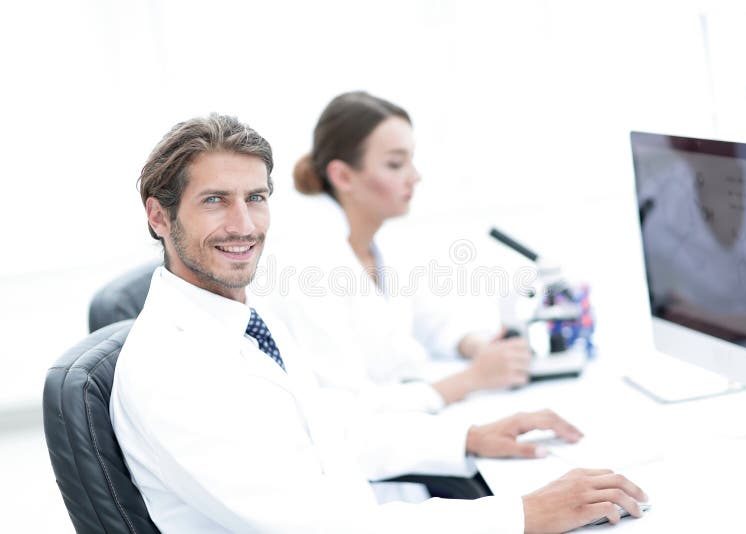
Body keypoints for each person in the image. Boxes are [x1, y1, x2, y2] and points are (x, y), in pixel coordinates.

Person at [109, 113, 648, 532]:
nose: (244, 225)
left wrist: (469, 436)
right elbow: (315, 527)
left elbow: (327, 435)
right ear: (159, 216)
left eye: (256, 198)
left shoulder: (246, 317)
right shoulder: (169, 370)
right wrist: (521, 514)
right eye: (214, 201)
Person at [264, 91, 531, 414]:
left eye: (411, 161)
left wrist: (480, 347)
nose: (414, 177)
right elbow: (347, 405)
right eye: (395, 164)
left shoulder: (377, 246)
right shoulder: (305, 262)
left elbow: (432, 321)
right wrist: (474, 378)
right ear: (343, 176)